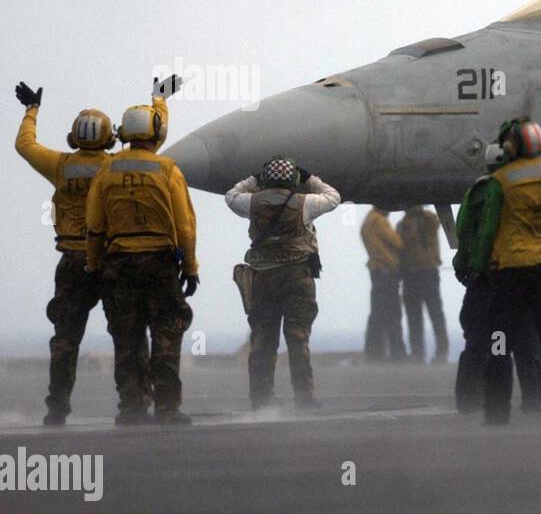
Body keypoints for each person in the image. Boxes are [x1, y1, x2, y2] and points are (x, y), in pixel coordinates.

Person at [85, 75, 198, 425]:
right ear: (155, 133)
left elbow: (94, 226)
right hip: (160, 265)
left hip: (118, 266)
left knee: (127, 338)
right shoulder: (167, 169)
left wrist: (93, 265)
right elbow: (185, 226)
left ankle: (132, 407)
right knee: (166, 332)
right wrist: (190, 266)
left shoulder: (106, 170)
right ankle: (167, 407)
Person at [13, 81, 115, 425]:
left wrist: (31, 111)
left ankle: (57, 408)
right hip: (113, 259)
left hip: (72, 260)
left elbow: (25, 145)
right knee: (128, 334)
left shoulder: (60, 165)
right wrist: (159, 105)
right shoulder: (118, 167)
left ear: (74, 138)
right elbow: (149, 149)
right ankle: (134, 403)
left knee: (65, 339)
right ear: (109, 138)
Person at [469, 118, 541, 426]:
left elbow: (488, 229)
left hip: (511, 274)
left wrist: (479, 268)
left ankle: (497, 410)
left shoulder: (502, 180)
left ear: (511, 146)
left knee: (500, 339)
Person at [225, 156, 341, 409]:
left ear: (265, 179)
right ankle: (304, 397)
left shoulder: (251, 203)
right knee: (298, 337)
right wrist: (310, 179)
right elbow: (334, 197)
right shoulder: (306, 203)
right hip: (298, 277)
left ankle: (261, 399)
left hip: (263, 278)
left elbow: (231, 195)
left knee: (263, 339)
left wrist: (253, 179)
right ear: (293, 180)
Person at [451, 144, 541, 413]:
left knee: (481, 340)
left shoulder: (476, 193)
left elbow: (465, 232)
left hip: (486, 280)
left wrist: (465, 267)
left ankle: (469, 400)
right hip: (521, 277)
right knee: (527, 339)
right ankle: (534, 399)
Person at [397, 206, 449, 364]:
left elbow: (434, 222)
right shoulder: (404, 224)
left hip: (427, 272)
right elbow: (400, 247)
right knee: (415, 316)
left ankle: (440, 352)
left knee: (434, 314)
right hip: (411, 274)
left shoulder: (428, 219)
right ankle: (418, 353)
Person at [361, 207, 406, 361]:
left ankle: (373, 353)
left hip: (377, 272)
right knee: (393, 314)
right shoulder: (379, 221)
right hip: (386, 272)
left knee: (377, 314)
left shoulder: (368, 221)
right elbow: (398, 243)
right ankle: (397, 353)